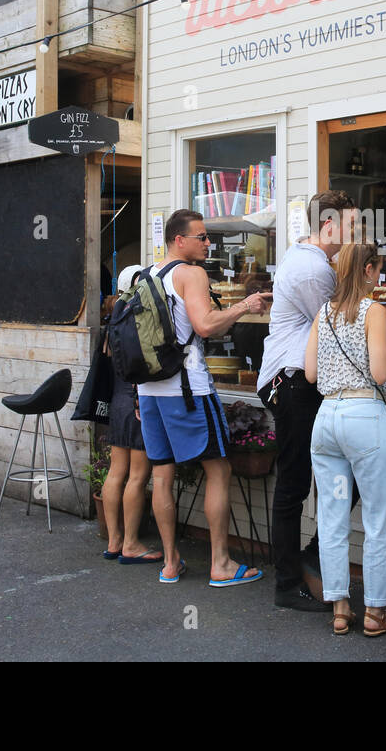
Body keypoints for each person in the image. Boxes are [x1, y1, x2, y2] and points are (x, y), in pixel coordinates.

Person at [138, 210, 271, 586]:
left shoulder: (147, 274)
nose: (208, 243)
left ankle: (170, 563)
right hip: (188, 389)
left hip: (149, 390)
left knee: (162, 474)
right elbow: (205, 324)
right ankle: (221, 565)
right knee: (219, 469)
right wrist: (246, 305)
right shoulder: (190, 273)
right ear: (180, 240)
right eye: (202, 237)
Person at [256, 190, 357, 611]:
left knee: (343, 475)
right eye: (353, 225)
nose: (357, 233)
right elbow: (340, 327)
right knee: (295, 484)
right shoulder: (315, 270)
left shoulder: (311, 260)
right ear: (330, 225)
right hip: (294, 384)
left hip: (302, 384)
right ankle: (288, 583)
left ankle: (308, 559)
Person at [303, 242, 386, 636]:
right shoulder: (373, 310)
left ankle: (341, 607)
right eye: (377, 268)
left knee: (331, 516)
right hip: (363, 417)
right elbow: (379, 372)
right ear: (368, 270)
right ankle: (376, 613)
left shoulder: (323, 312)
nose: (379, 275)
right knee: (376, 519)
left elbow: (310, 373)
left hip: (326, 420)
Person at [99, 265, 162, 566]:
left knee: (116, 473)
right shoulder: (138, 317)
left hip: (118, 402)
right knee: (138, 476)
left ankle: (114, 541)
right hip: (137, 403)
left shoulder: (114, 317)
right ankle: (132, 544)